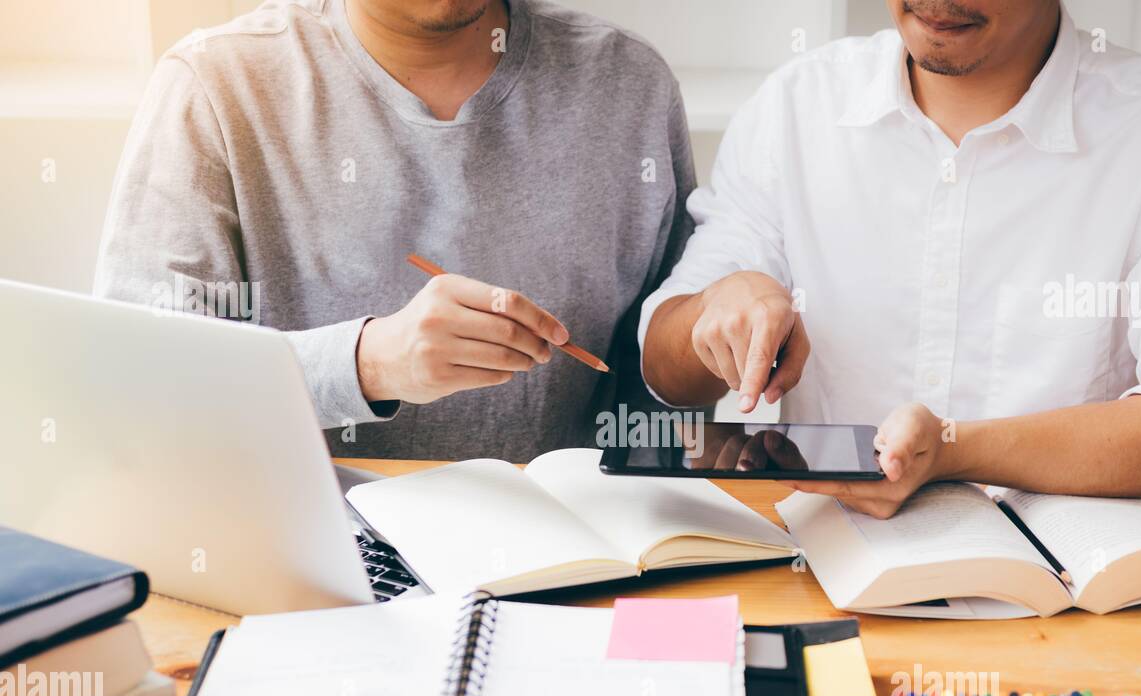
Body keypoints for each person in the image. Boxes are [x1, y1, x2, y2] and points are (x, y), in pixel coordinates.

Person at [639, 0, 1141, 515]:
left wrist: (953, 450)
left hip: (1075, 604)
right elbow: (663, 367)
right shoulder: (796, 106)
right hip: (826, 579)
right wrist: (715, 310)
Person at [95, 0, 694, 461]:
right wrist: (368, 364)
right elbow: (137, 383)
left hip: (578, 574)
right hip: (310, 572)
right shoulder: (214, 81)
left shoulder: (629, 84)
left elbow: (657, 395)